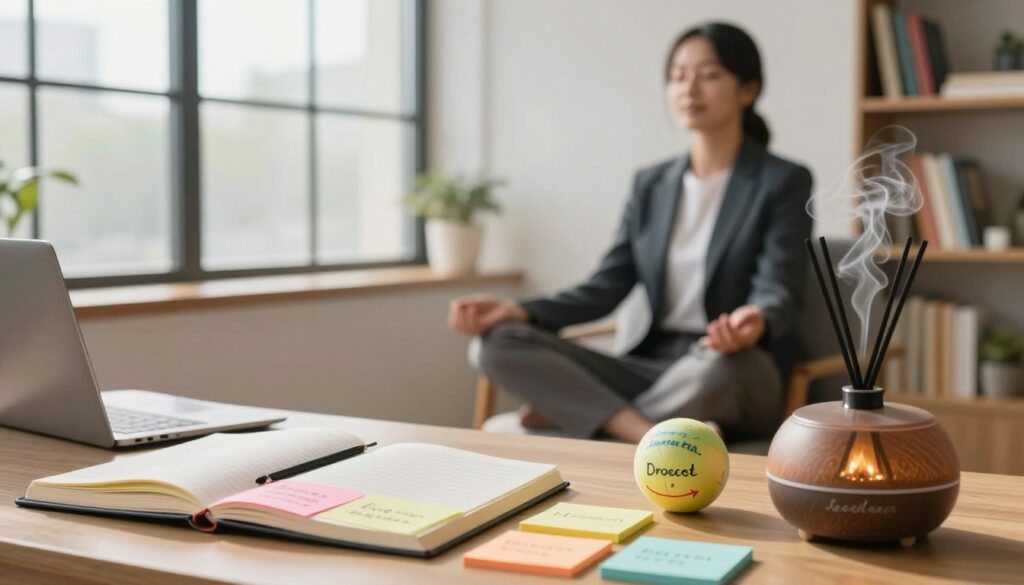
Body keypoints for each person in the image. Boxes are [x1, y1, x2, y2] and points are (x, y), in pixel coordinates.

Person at [449, 22, 813, 444]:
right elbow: (606, 286)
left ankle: (586, 414)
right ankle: (644, 433)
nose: (689, 88)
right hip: (649, 366)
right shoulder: (651, 184)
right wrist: (521, 312)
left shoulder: (782, 180)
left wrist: (757, 320)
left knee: (726, 369)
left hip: (728, 363)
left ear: (748, 90)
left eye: (709, 75)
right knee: (494, 344)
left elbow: (779, 286)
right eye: (677, 76)